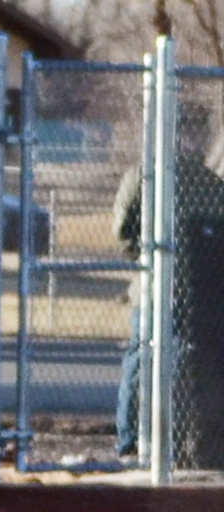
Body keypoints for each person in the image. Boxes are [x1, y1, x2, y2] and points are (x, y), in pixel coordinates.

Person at [112, 118, 224, 458]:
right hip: (190, 291)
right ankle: (167, 441)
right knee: (179, 360)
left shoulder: (144, 175)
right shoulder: (202, 183)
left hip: (159, 289)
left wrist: (147, 258)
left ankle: (137, 440)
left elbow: (122, 233)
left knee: (145, 357)